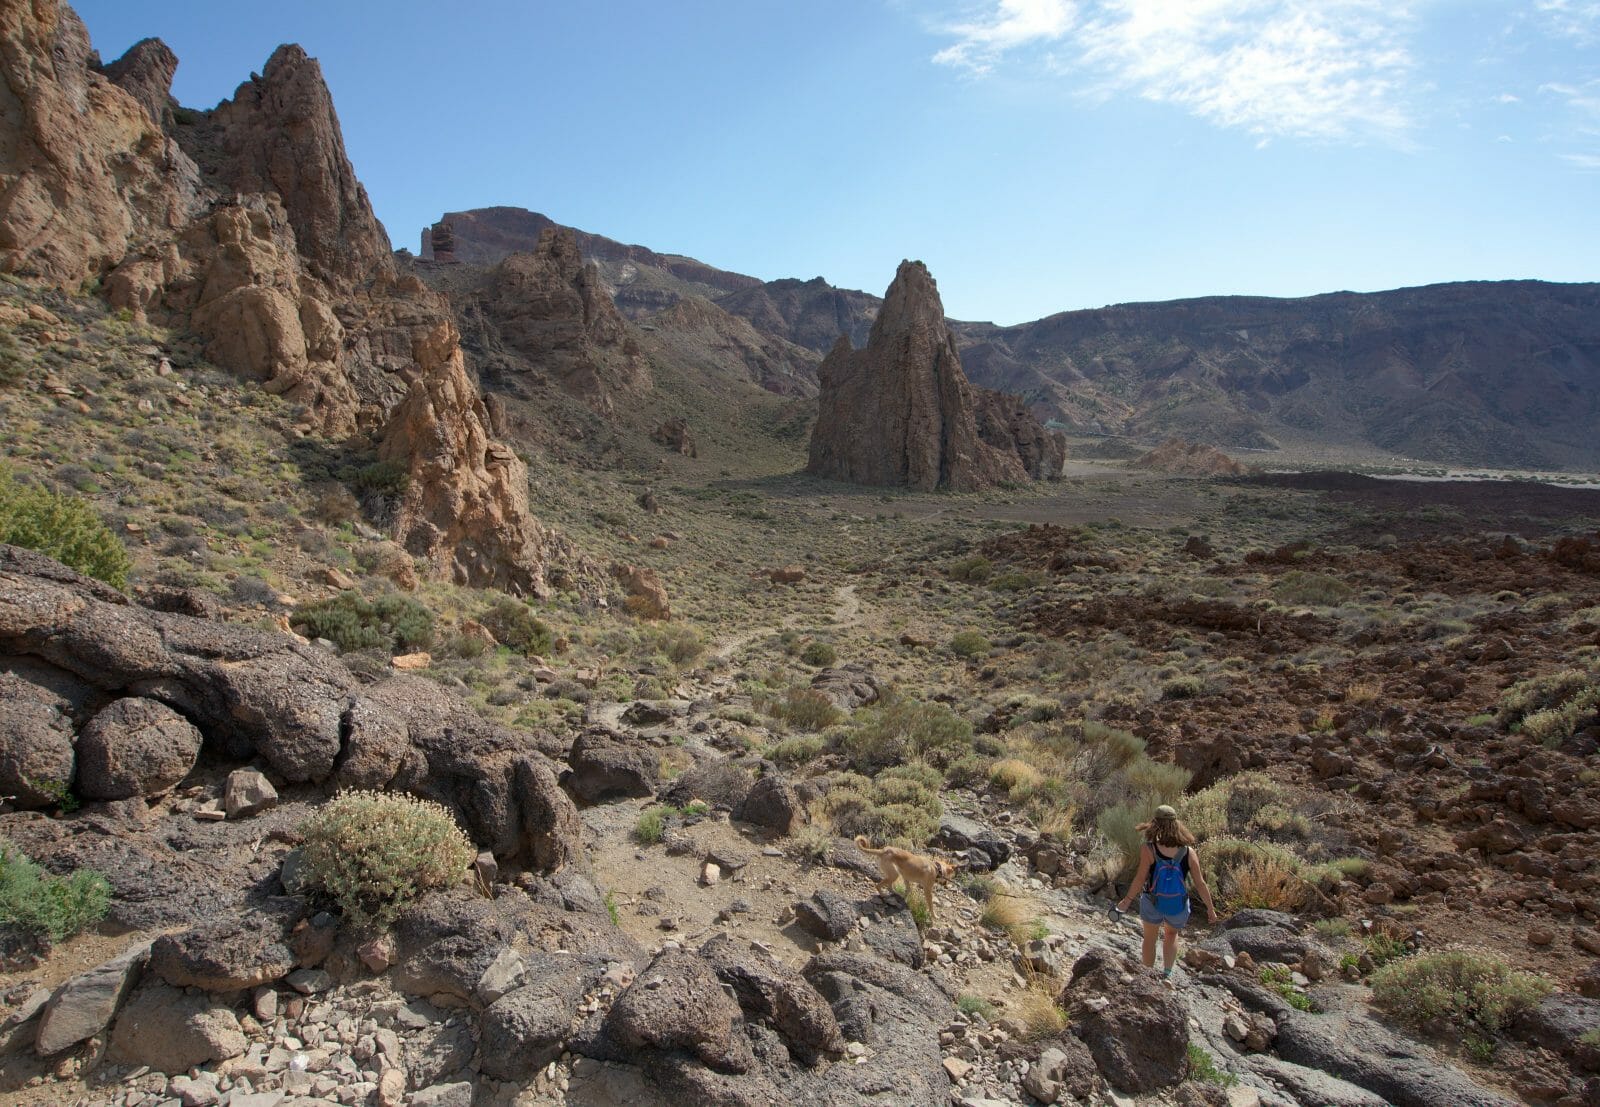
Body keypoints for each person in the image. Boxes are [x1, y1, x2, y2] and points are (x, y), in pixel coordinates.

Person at [1114, 804, 1219, 979]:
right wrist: (1210, 908)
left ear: (1155, 824)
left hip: (1153, 901)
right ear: (1176, 824)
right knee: (1171, 935)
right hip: (1177, 904)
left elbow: (1140, 878)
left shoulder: (1149, 849)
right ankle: (1167, 974)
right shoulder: (1188, 852)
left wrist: (1127, 900)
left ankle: (1146, 976)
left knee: (1150, 938)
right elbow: (1200, 883)